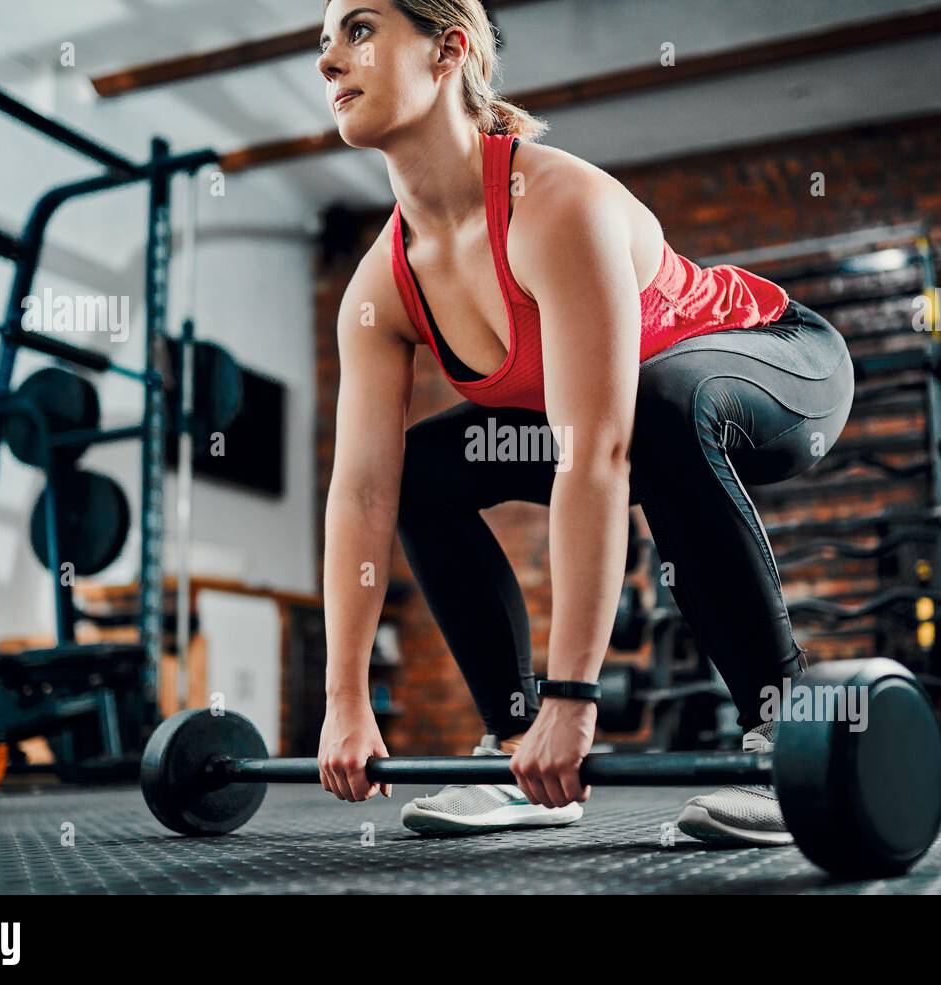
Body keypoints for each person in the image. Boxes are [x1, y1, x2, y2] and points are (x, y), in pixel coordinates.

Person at [316, 0, 854, 846]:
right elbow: (361, 492)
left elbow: (595, 455)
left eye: (358, 30)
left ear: (448, 49)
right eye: (323, 40)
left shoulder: (555, 203)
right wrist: (343, 699)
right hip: (637, 428)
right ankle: (512, 742)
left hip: (778, 359)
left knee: (665, 407)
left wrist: (576, 697)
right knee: (422, 474)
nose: (327, 61)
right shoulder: (379, 288)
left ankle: (781, 726)